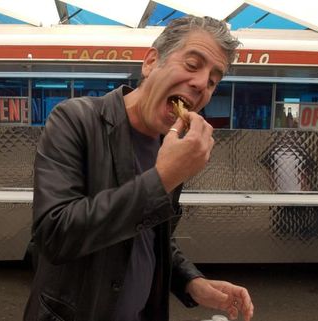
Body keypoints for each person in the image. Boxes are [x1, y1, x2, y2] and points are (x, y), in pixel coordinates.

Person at [24, 15, 254, 321]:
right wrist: (162, 179)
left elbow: (151, 235)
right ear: (150, 62)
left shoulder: (168, 143)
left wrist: (191, 281)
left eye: (213, 81)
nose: (201, 84)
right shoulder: (75, 120)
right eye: (192, 64)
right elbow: (55, 235)